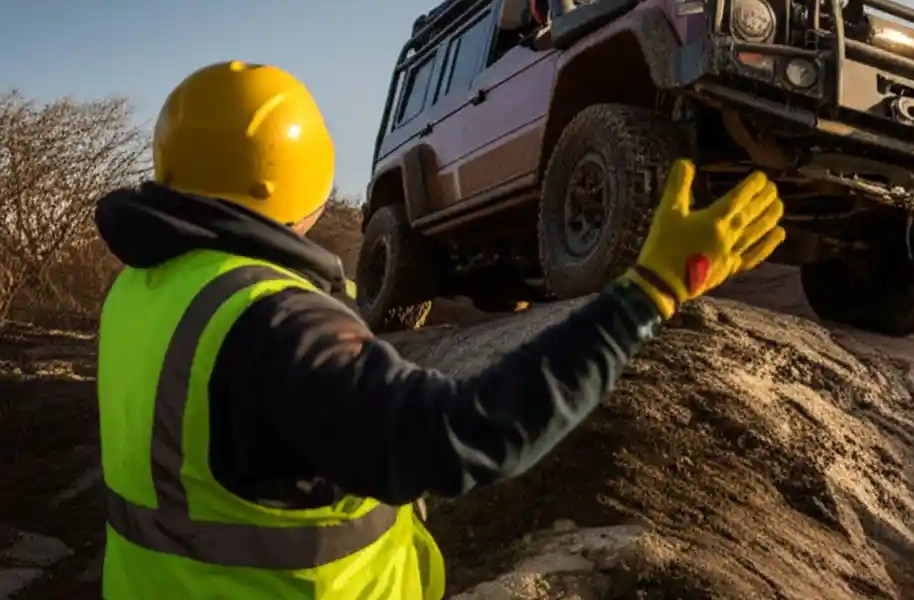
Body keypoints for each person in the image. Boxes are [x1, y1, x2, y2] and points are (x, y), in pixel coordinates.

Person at [94, 60, 786, 599]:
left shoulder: (146, 288)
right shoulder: (278, 323)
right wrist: (650, 292)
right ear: (303, 178)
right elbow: (459, 437)